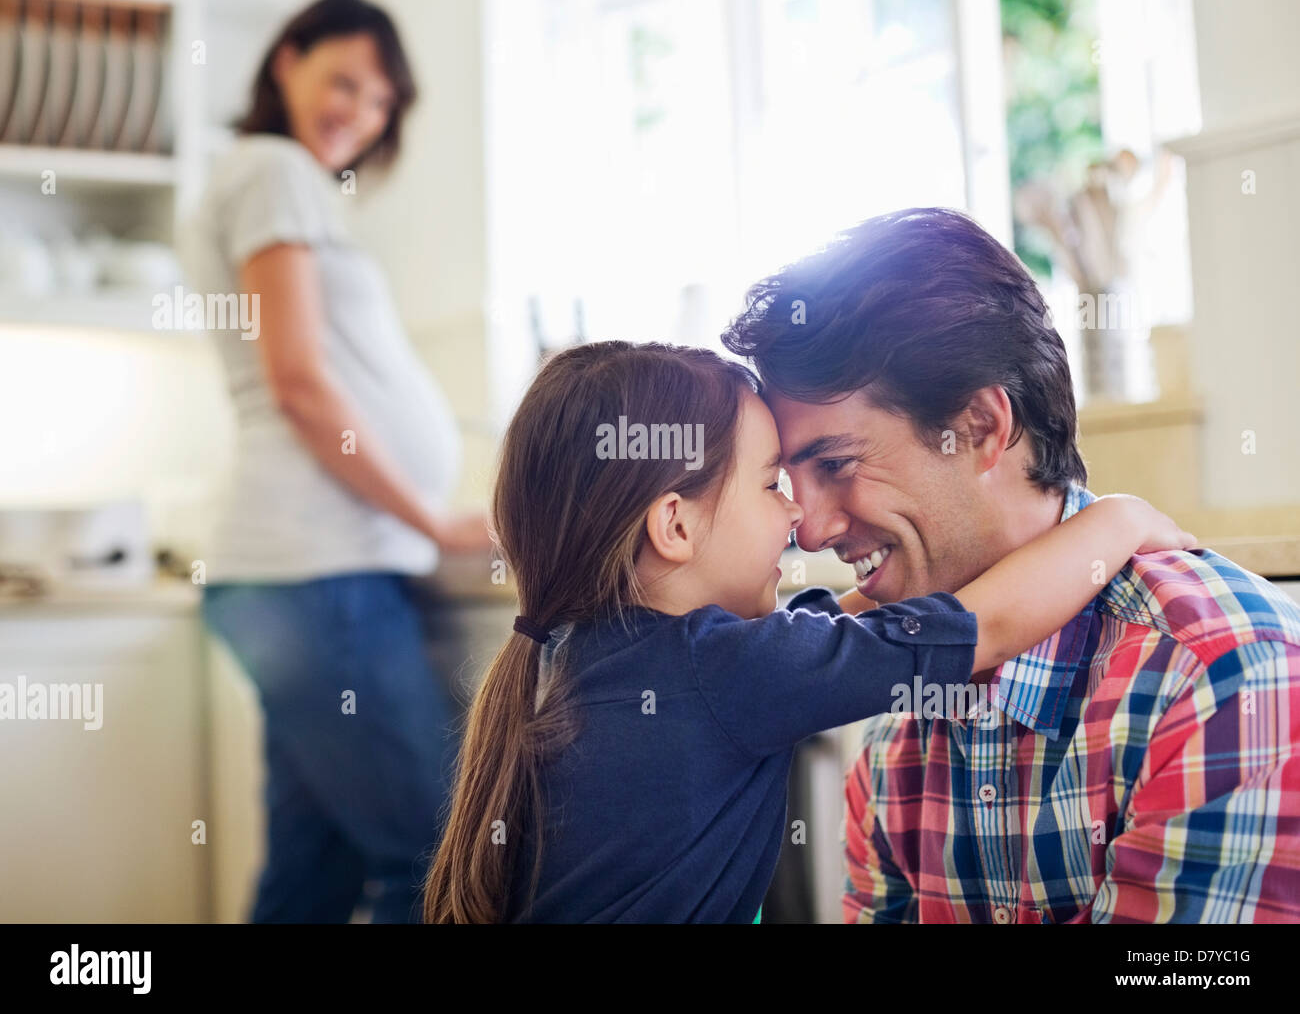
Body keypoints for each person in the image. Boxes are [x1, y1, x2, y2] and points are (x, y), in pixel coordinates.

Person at [421, 341, 1192, 923]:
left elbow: (842, 624)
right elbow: (980, 629)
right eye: (771, 485)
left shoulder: (576, 662)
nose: (800, 519)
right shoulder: (726, 671)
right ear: (675, 524)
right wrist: (1115, 520)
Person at [722, 206, 1300, 923]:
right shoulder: (898, 720)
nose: (808, 530)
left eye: (836, 463)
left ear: (980, 428)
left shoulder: (1221, 678)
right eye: (787, 480)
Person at [182, 0, 490, 923]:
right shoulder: (275, 170)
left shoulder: (277, 181)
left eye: (380, 100)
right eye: (342, 80)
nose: (358, 111)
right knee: (435, 854)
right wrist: (431, 520)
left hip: (298, 578)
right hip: (320, 570)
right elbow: (302, 386)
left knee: (312, 874)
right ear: (288, 60)